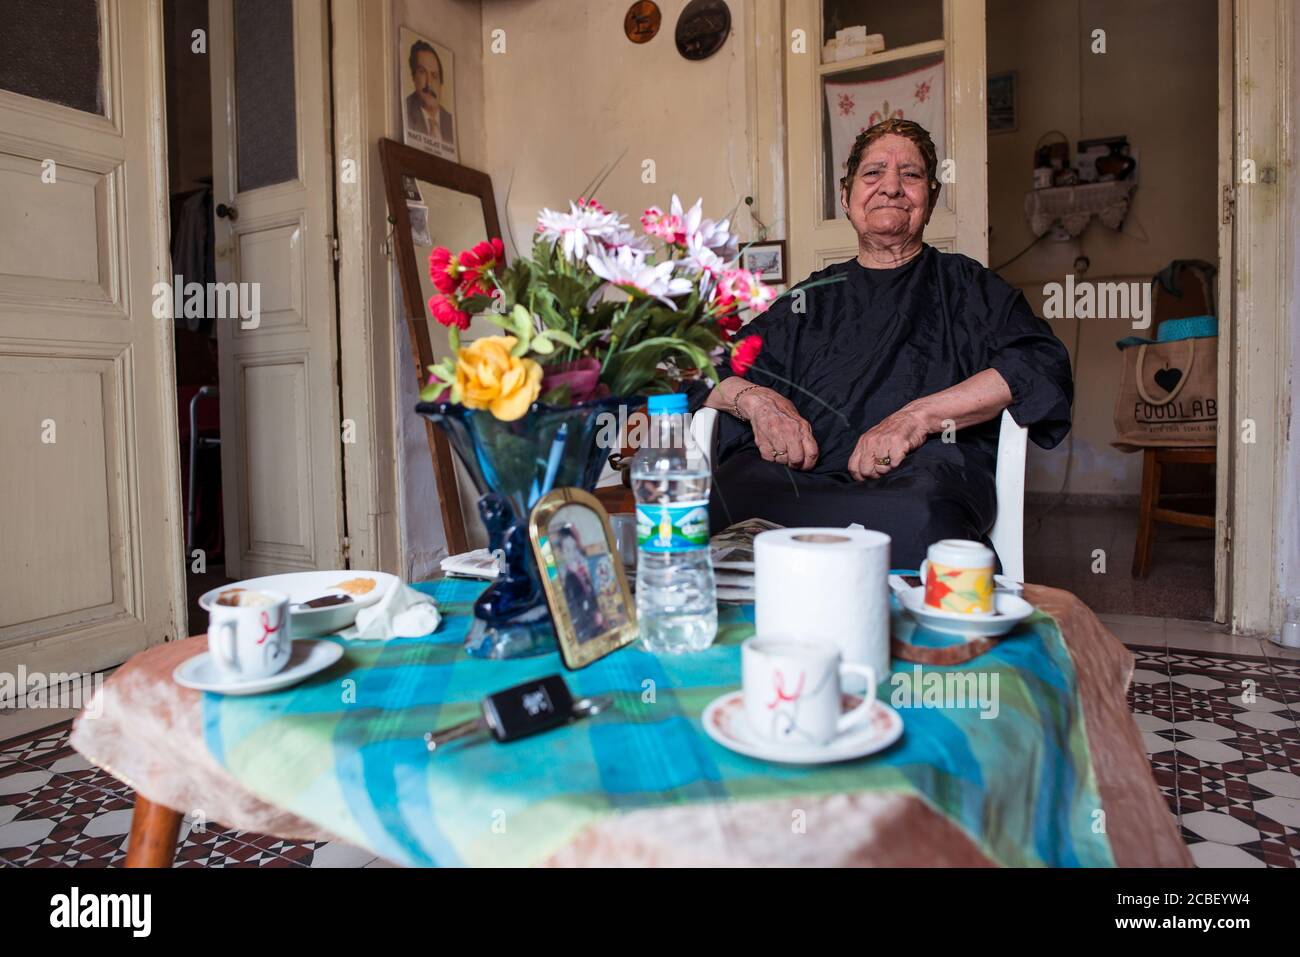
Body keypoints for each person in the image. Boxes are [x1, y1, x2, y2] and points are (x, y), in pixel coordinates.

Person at [703, 118, 1073, 569]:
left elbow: (1039, 364)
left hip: (921, 478)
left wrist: (917, 418)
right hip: (801, 474)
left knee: (918, 515)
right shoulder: (809, 299)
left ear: (931, 199)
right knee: (728, 497)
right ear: (846, 196)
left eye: (911, 175)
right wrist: (759, 404)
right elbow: (711, 367)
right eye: (873, 173)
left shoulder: (969, 287)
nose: (892, 187)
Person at [555, 526, 604, 641]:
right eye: (567, 550)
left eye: (574, 548)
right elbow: (575, 608)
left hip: (594, 622)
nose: (572, 554)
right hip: (583, 629)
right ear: (562, 553)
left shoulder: (583, 572)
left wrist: (596, 611)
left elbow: (592, 593)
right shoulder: (570, 578)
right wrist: (592, 615)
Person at [404, 40, 455, 147]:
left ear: (441, 85)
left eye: (434, 76)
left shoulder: (450, 121)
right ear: (413, 77)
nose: (429, 83)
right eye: (422, 72)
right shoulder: (406, 111)